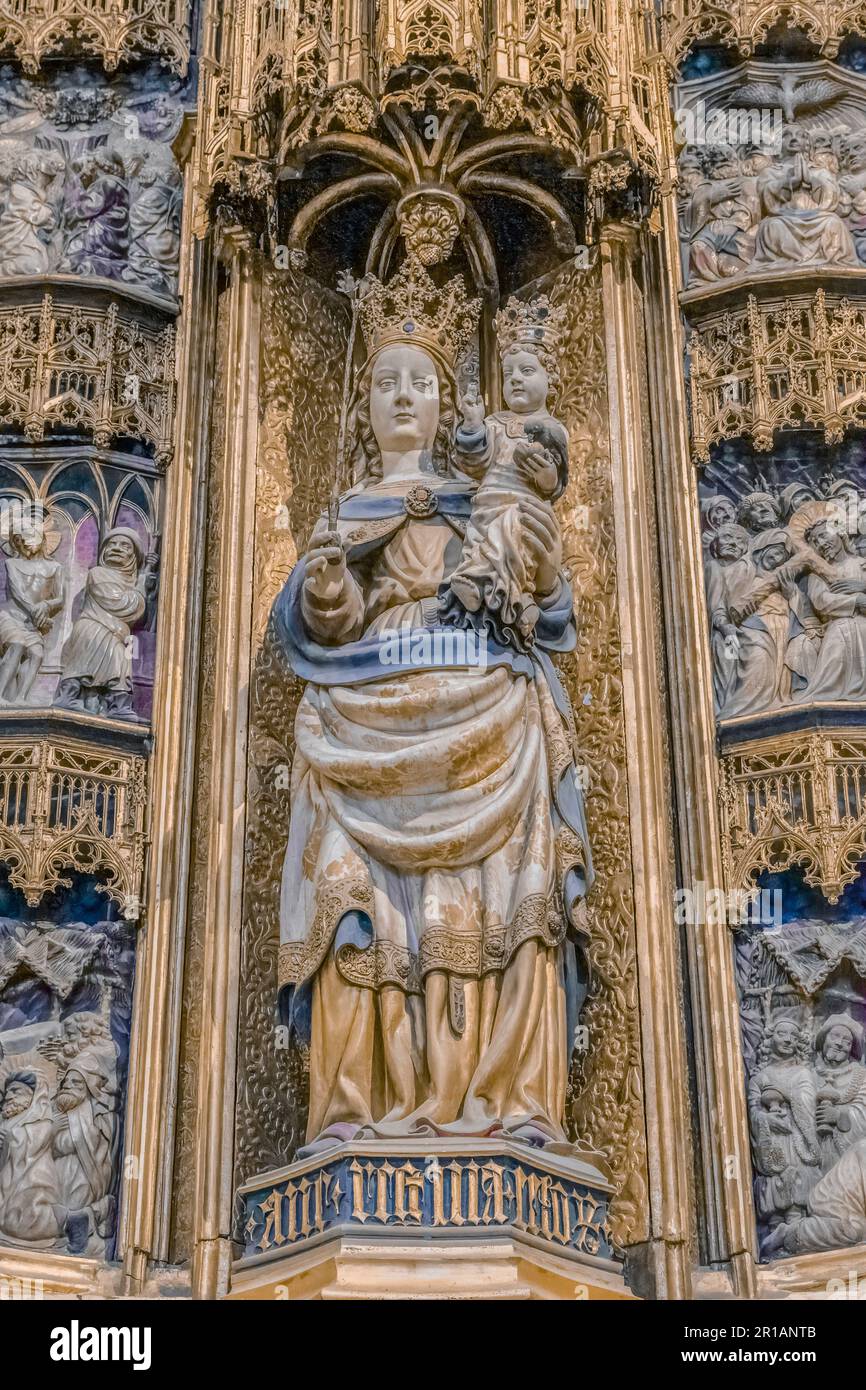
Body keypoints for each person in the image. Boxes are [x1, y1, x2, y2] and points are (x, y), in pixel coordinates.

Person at [273, 257, 592, 1155]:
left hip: (482, 710)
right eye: (386, 382)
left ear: (451, 404)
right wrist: (331, 583)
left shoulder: (486, 498)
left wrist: (515, 567)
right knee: (355, 902)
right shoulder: (351, 512)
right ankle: (356, 1112)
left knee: (490, 906)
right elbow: (324, 622)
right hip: (364, 717)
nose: (403, 396)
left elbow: (547, 596)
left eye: (422, 381)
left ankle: (505, 1106)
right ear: (361, 405)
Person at [441, 295, 568, 649]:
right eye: (508, 374)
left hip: (526, 504)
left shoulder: (553, 429)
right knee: (483, 539)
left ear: (550, 378)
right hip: (489, 497)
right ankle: (480, 583)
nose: (515, 381)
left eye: (527, 372)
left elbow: (556, 481)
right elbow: (476, 462)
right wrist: (473, 424)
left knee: (515, 540)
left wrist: (545, 476)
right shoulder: (496, 423)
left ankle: (517, 598)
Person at [55, 527, 155, 718]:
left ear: (134, 556)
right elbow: (121, 605)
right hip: (94, 629)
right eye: (112, 544)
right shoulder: (99, 573)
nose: (117, 548)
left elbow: (142, 619)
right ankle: (68, 697)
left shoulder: (132, 582)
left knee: (120, 669)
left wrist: (148, 589)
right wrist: (141, 589)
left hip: (118, 636)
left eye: (124, 546)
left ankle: (119, 707)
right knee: (83, 666)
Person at [0, 518, 64, 704]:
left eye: (28, 536)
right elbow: (17, 591)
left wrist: (47, 606)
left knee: (36, 654)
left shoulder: (55, 567)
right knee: (17, 644)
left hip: (33, 624)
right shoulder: (11, 564)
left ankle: (21, 698)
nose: (24, 542)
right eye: (18, 540)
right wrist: (37, 611)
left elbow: (60, 598)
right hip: (11, 617)